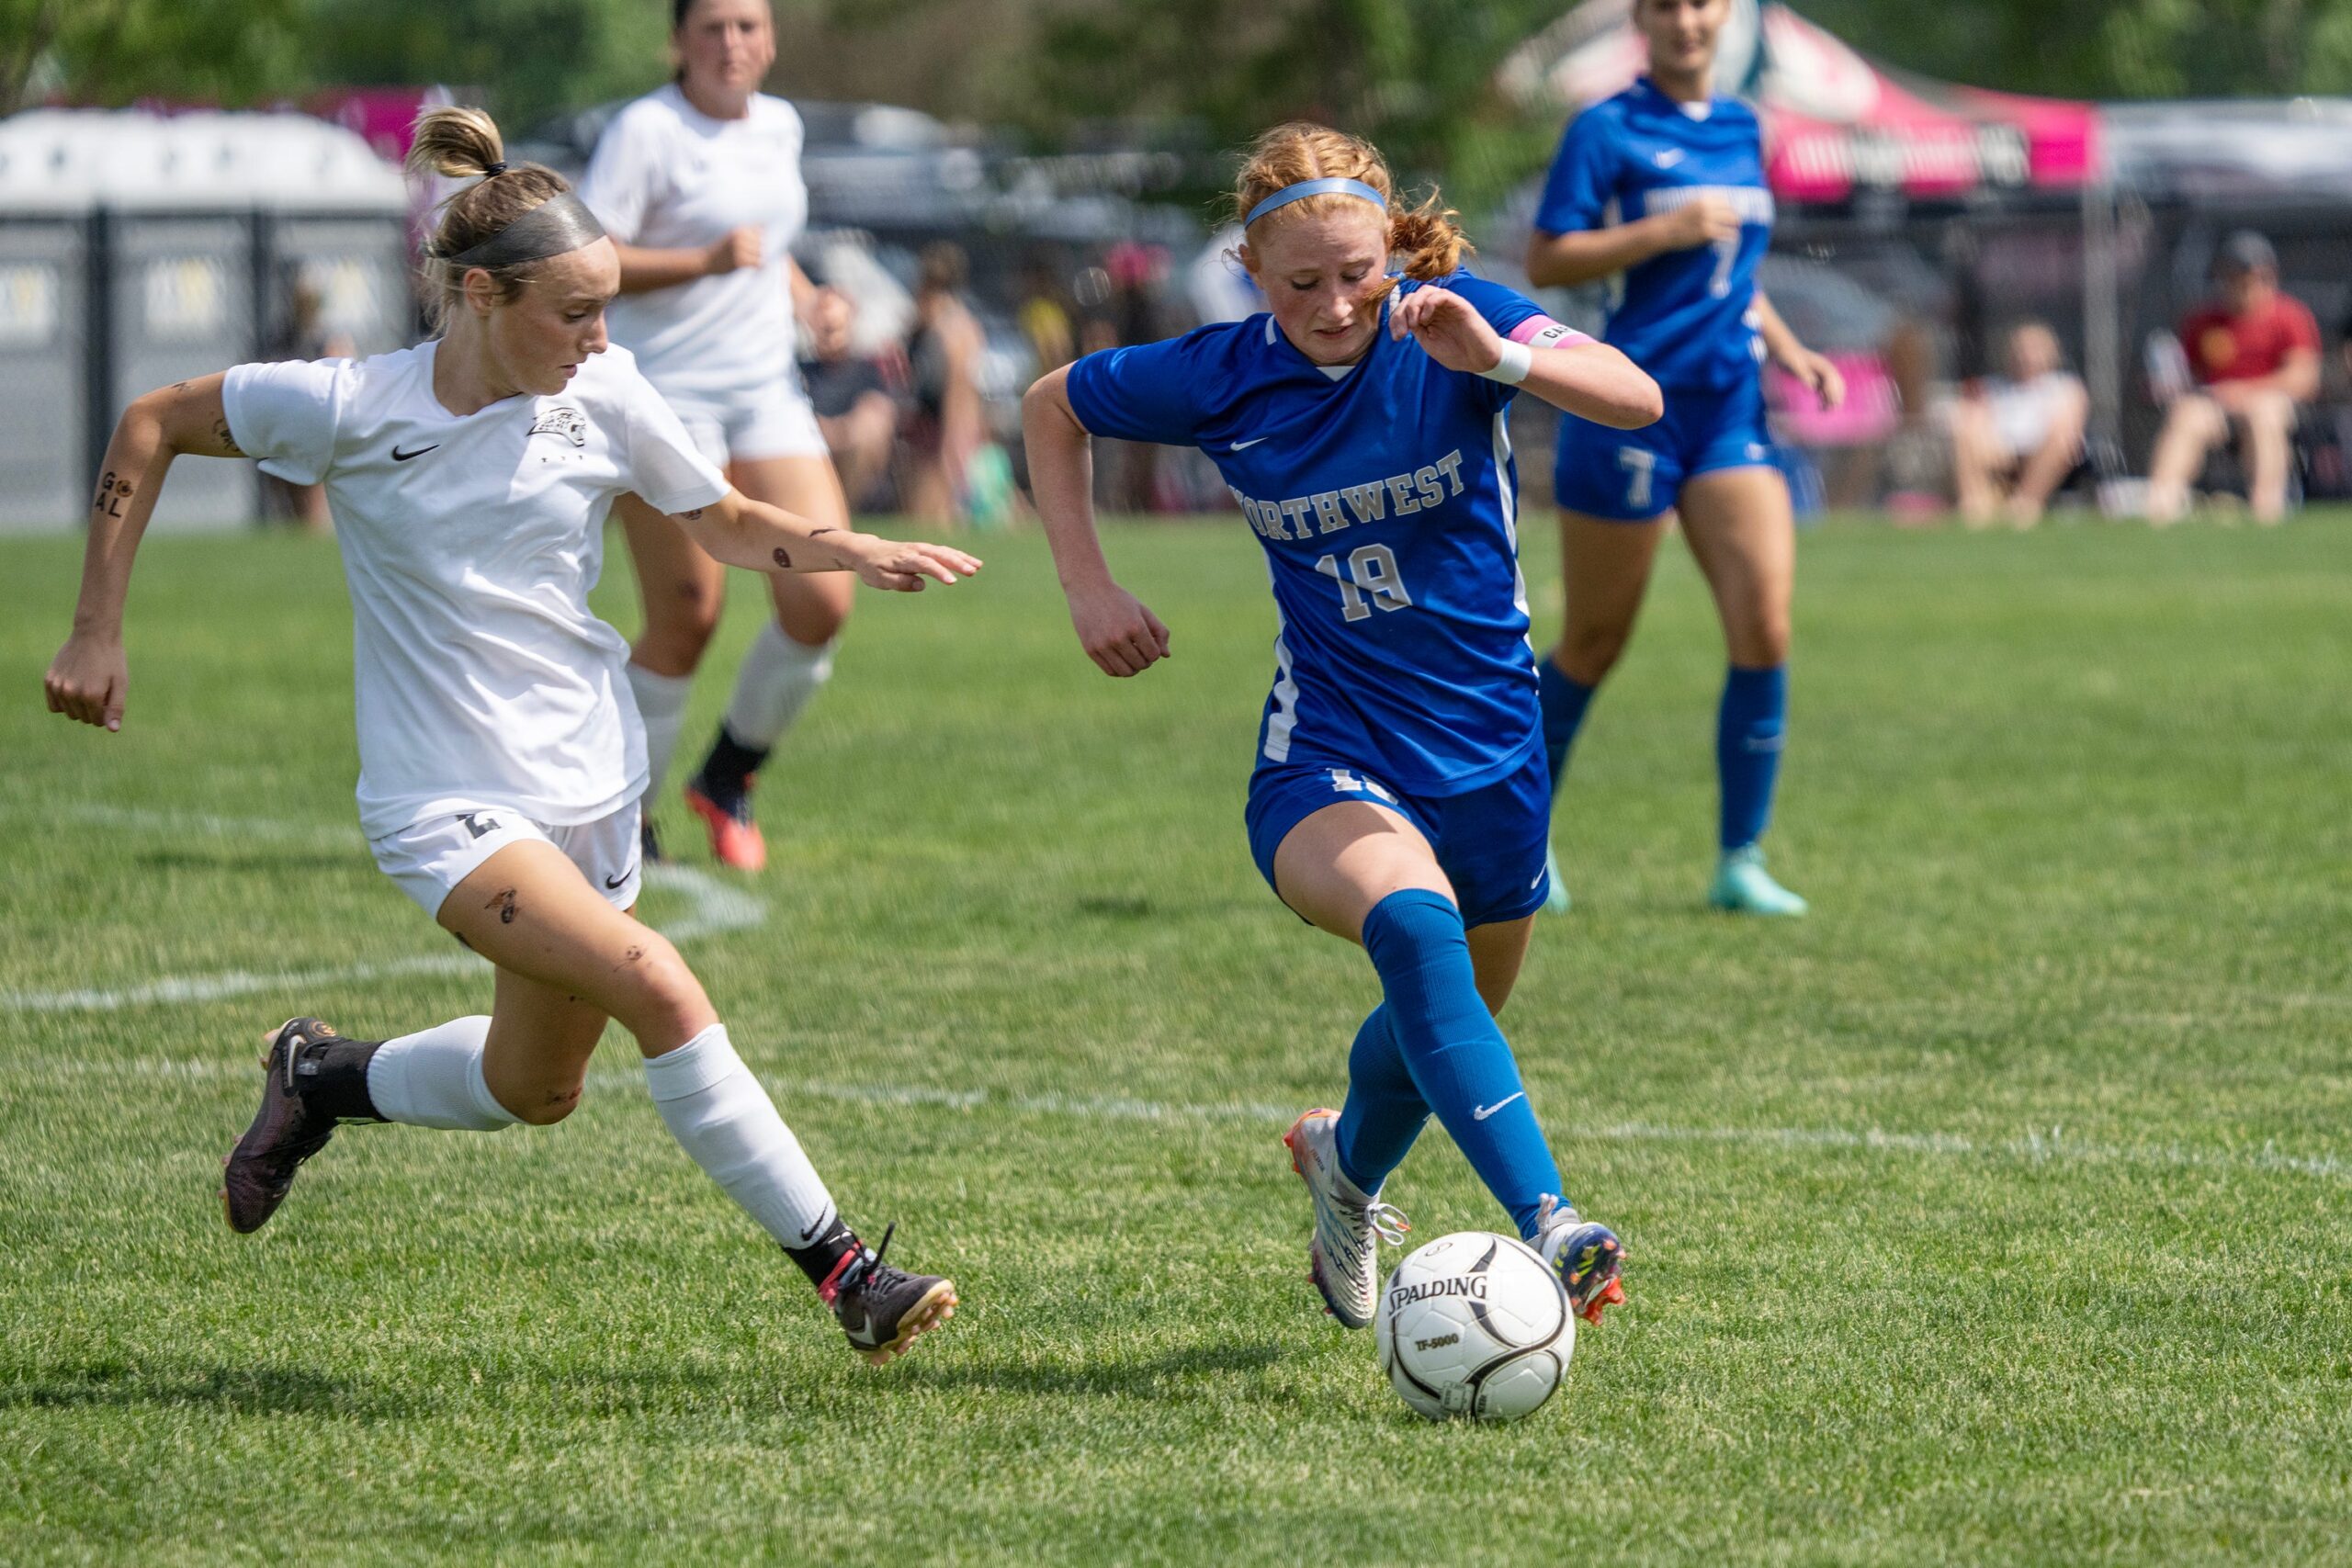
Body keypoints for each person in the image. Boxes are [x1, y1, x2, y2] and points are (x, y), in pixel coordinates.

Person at [40, 107, 978, 1367]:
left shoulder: (608, 390)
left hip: (590, 781)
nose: (601, 336)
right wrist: (96, 629)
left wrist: (852, 545)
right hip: (445, 801)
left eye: (607, 310)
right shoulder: (351, 404)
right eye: (576, 311)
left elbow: (724, 519)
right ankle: (850, 1272)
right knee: (659, 981)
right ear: (479, 296)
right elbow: (152, 420)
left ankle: (318, 1076)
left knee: (533, 1087)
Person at [1023, 122, 1660, 1334]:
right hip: (1330, 749)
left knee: (1446, 1013)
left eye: (1359, 272)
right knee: (1415, 930)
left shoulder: (1457, 319)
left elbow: (1637, 398)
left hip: (1491, 749)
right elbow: (1053, 407)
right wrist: (1086, 583)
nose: (1334, 303)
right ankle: (1555, 1220)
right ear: (1254, 276)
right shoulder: (1217, 375)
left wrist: (1499, 359)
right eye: (1300, 282)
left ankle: (1345, 1175)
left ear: (1395, 250)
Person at [1524, 0, 1846, 918]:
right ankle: (1517, 847)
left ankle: (1739, 859)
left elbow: (1730, 275)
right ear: (1641, 18)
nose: (1684, 20)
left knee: (1765, 629)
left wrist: (1786, 346)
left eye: (1700, 2)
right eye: (1664, 4)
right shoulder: (1606, 128)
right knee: (1593, 641)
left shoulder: (1746, 127)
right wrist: (1656, 232)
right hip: (1625, 407)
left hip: (1729, 412)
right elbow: (1546, 259)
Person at [576, 0, 853, 872]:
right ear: (678, 42)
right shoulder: (646, 132)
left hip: (764, 389)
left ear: (770, 39)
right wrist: (700, 262)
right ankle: (621, 819)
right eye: (713, 28)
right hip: (664, 393)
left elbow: (767, 251)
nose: (731, 44)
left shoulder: (781, 126)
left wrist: (811, 301)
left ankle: (728, 775)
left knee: (824, 596)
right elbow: (588, 259)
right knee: (688, 617)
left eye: (747, 26)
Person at [2143, 231, 2320, 525]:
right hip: (2218, 407)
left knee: (2264, 412)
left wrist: (2245, 391)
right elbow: (2190, 376)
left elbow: (2304, 378)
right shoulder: (2204, 321)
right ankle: (2161, 504)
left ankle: (2266, 506)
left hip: (2270, 404)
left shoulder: (2289, 316)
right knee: (2187, 414)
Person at [1950, 320, 2089, 528]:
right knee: (1966, 426)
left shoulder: (2065, 388)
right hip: (1997, 453)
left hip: (2043, 455)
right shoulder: (1993, 388)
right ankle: (1976, 504)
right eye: (2022, 349)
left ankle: (2026, 504)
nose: (2027, 356)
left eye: (2035, 349)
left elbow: (2070, 425)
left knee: (2063, 437)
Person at [902, 242, 989, 525]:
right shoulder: (938, 321)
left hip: (939, 429)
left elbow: (959, 393)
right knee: (924, 514)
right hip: (929, 425)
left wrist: (953, 449)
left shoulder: (953, 327)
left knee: (932, 515)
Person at [798, 286, 898, 509]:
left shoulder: (866, 372)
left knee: (869, 427)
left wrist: (839, 431)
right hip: (810, 446)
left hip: (847, 446)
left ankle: (846, 507)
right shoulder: (801, 371)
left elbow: (876, 414)